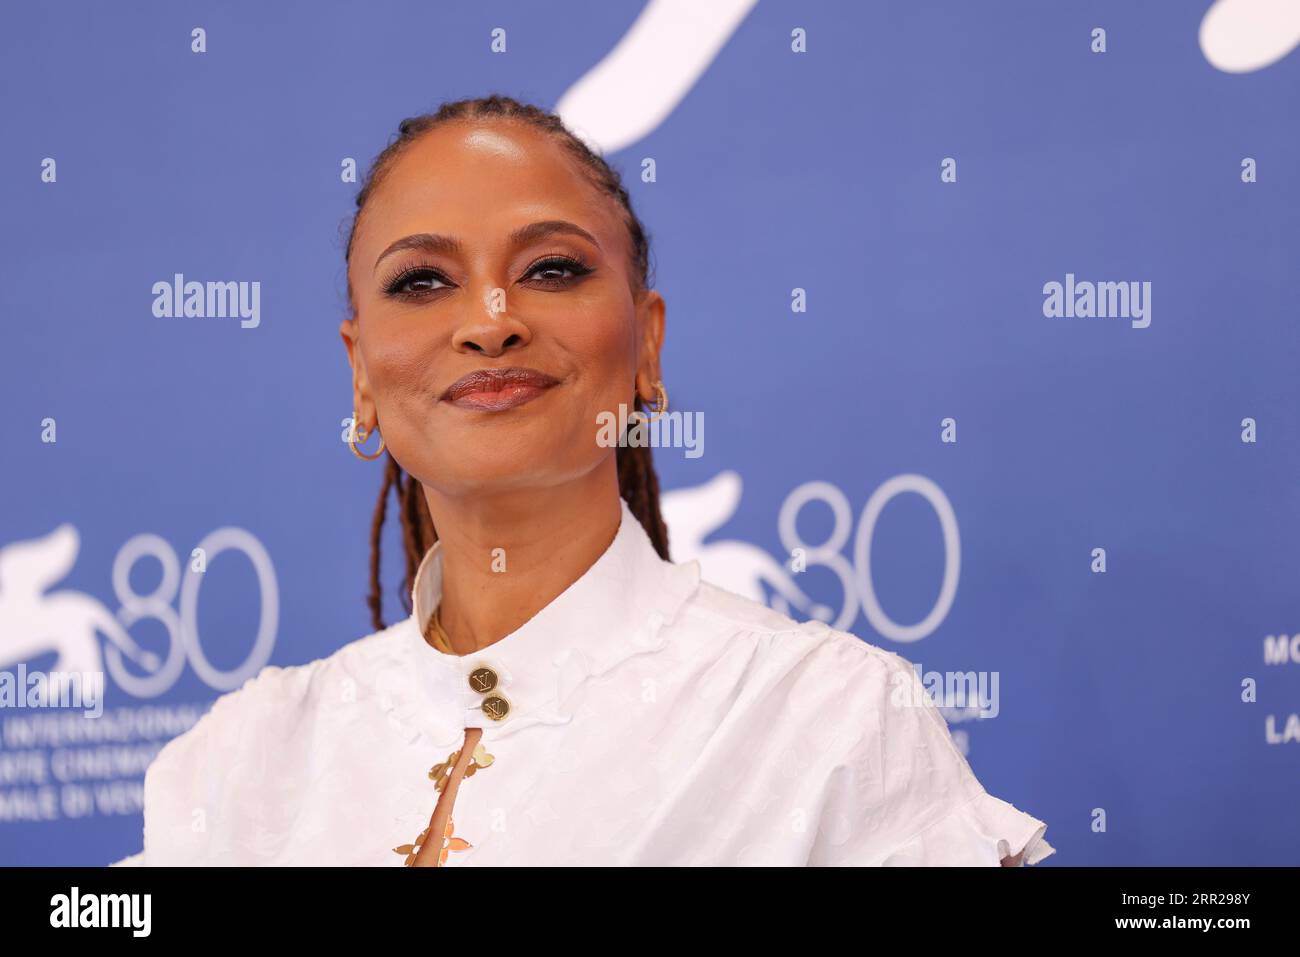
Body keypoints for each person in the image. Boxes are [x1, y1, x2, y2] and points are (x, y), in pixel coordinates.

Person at [111, 94, 1054, 867]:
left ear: (647, 343)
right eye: (422, 282)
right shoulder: (237, 765)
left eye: (551, 268)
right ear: (360, 372)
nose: (488, 321)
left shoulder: (831, 720)